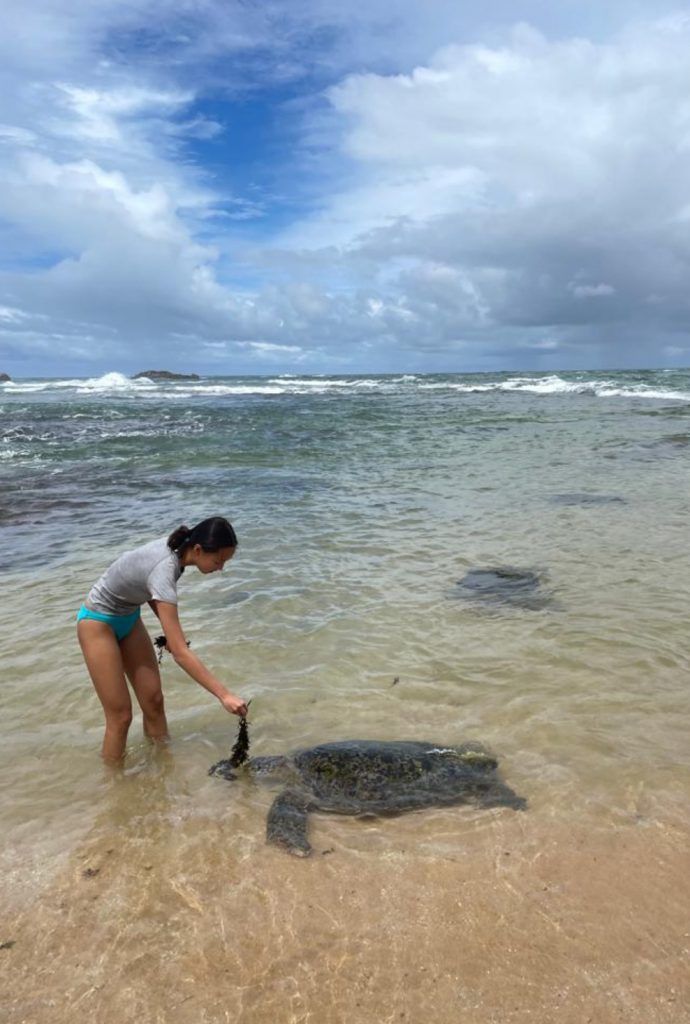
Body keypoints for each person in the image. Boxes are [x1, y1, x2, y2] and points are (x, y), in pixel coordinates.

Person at [77, 516, 248, 762]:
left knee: (154, 702)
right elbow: (180, 653)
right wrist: (224, 695)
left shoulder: (179, 553)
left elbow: (146, 589)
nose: (221, 568)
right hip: (97, 623)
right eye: (219, 560)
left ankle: (163, 769)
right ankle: (115, 786)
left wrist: (169, 634)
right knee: (120, 717)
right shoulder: (165, 569)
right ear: (198, 550)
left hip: (128, 616)